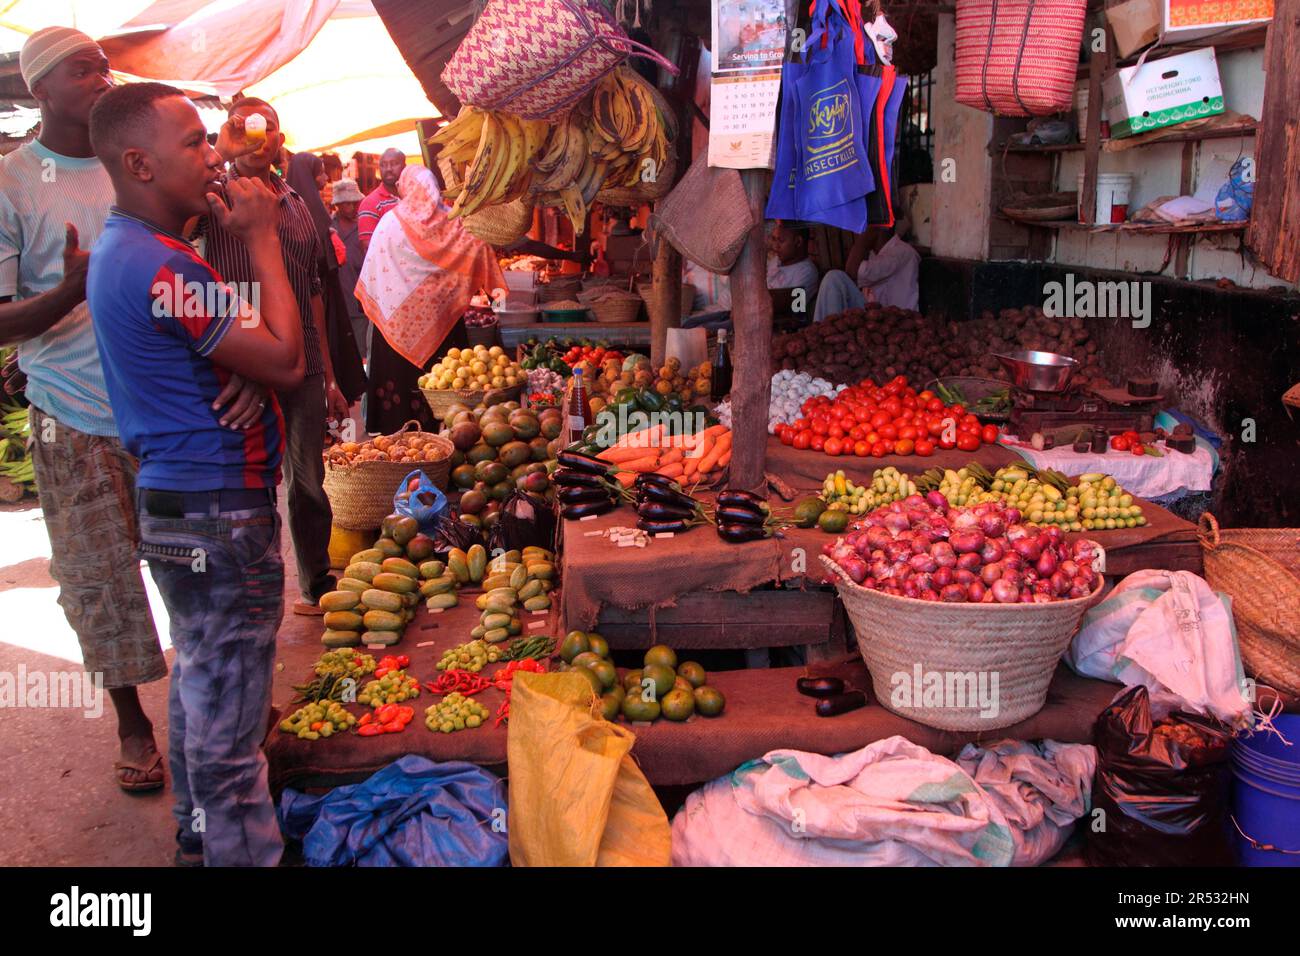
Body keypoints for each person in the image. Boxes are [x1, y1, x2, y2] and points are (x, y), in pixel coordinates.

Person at [0, 28, 260, 794]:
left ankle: (219, 709)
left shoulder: (149, 156)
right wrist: (65, 292)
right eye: (81, 70)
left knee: (203, 571)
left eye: (102, 64)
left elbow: (220, 259)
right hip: (73, 412)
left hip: (174, 402)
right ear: (38, 88)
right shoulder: (14, 183)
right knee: (98, 577)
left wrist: (240, 357)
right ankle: (133, 723)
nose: (101, 76)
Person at [87, 81, 305, 866]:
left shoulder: (135, 250)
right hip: (219, 508)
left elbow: (243, 347)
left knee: (201, 677)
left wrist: (246, 360)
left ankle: (196, 840)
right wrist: (267, 238)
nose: (215, 157)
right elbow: (285, 356)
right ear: (139, 163)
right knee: (232, 723)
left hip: (178, 501)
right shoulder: (160, 265)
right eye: (195, 143)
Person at [194, 99, 344, 617]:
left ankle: (315, 580)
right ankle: (252, 595)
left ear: (281, 137)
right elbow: (177, 217)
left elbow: (316, 290)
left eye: (268, 126)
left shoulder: (296, 200)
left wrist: (327, 374)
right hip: (244, 359)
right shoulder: (214, 196)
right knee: (250, 482)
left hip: (302, 359)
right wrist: (222, 147)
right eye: (245, 127)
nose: (258, 136)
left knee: (309, 479)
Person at [356, 165, 503, 434]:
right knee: (446, 386)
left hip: (394, 326)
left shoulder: (389, 222)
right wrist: (499, 306)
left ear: (403, 188)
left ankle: (397, 447)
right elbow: (483, 254)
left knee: (399, 395)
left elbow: (373, 274)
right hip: (441, 325)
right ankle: (446, 440)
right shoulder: (454, 224)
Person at [285, 152, 366, 412]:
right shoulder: (308, 212)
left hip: (322, 297)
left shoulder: (306, 208)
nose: (323, 178)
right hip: (317, 300)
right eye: (319, 172)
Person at [813, 221, 920, 322]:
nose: (858, 232)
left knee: (834, 278)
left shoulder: (901, 252)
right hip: (876, 318)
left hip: (895, 323)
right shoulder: (874, 255)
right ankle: (821, 334)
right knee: (833, 280)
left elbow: (851, 272)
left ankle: (824, 336)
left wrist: (863, 241)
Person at [330, 178, 368, 351]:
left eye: (355, 203)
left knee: (361, 350)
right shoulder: (328, 226)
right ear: (337, 204)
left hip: (358, 304)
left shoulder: (364, 226)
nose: (352, 208)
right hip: (336, 304)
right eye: (347, 203)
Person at [357, 148, 404, 257]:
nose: (388, 169)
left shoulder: (413, 197)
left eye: (394, 164)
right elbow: (368, 248)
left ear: (404, 166)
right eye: (383, 165)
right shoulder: (370, 203)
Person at [766, 220, 820, 295]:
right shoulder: (776, 260)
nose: (775, 247)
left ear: (798, 242)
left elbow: (795, 305)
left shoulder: (806, 272)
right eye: (774, 239)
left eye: (781, 241)